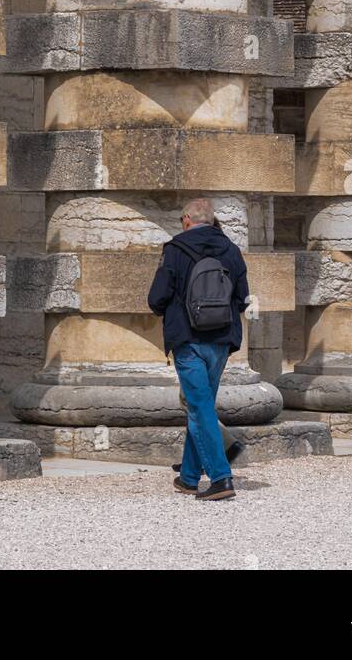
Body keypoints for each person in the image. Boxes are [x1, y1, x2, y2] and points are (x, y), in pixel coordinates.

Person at [148, 196, 249, 501]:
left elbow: (156, 299)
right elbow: (243, 297)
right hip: (220, 341)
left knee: (198, 407)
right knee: (200, 406)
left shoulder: (175, 250)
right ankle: (189, 477)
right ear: (212, 220)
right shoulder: (231, 250)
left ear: (187, 220)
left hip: (188, 340)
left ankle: (220, 477)